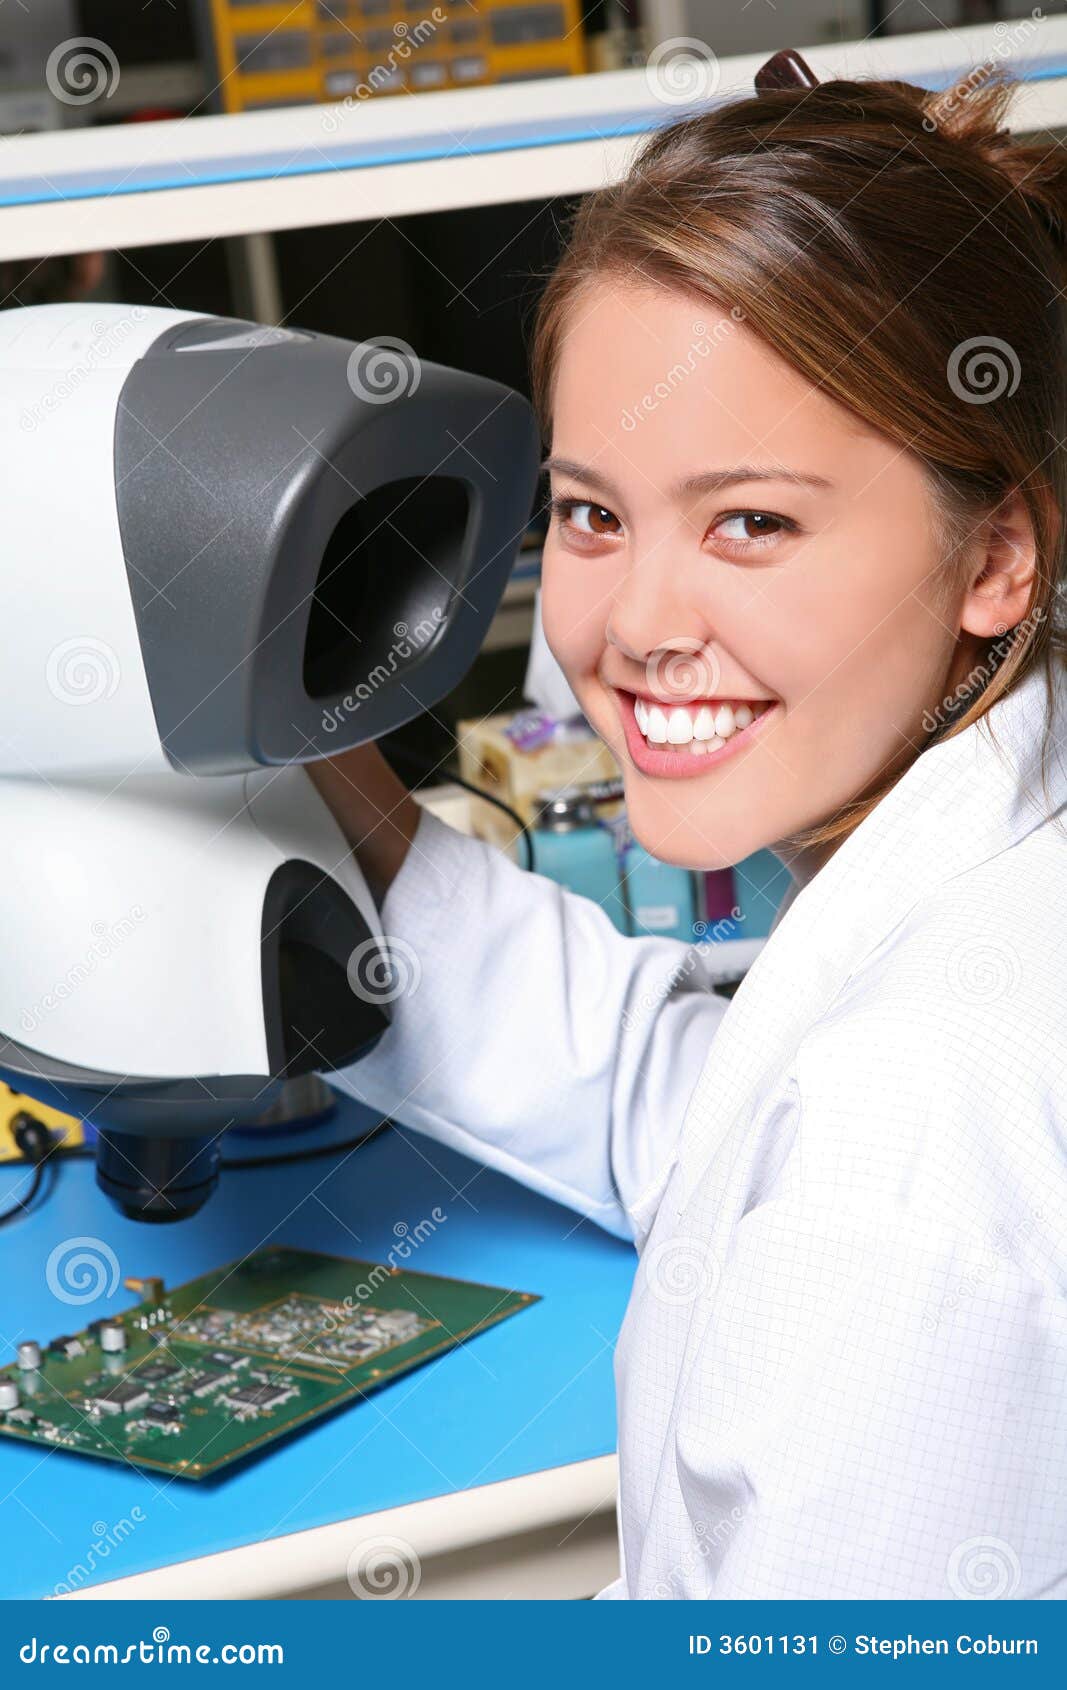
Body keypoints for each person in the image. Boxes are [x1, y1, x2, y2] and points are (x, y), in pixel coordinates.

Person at [307, 53, 1067, 1599]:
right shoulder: (973, 870)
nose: (639, 622)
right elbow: (702, 1113)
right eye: (592, 512)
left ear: (998, 554)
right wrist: (338, 792)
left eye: (752, 521)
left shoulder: (909, 1140)